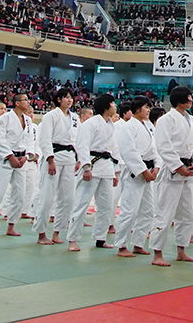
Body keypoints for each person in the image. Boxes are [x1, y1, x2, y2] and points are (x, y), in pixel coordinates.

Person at [149, 86, 193, 267]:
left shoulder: (190, 120)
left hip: (188, 169)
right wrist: (178, 167)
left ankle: (181, 250)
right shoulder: (166, 120)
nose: (192, 100)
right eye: (189, 97)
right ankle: (157, 253)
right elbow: (163, 146)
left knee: (187, 213)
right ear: (179, 99)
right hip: (172, 170)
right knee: (164, 212)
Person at [69, 93, 119, 252]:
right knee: (81, 203)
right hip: (92, 164)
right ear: (106, 106)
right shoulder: (90, 124)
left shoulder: (111, 124)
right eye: (113, 103)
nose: (115, 106)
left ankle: (100, 237)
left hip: (106, 166)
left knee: (106, 205)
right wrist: (85, 167)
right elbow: (82, 146)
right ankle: (73, 239)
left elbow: (114, 150)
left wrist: (116, 172)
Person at [33, 88, 78, 245]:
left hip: (70, 157)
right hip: (54, 155)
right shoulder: (50, 116)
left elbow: (77, 140)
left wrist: (78, 159)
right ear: (59, 100)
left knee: (68, 198)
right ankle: (41, 233)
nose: (70, 100)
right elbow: (44, 139)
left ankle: (57, 231)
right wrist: (50, 159)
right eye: (66, 97)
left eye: (71, 97)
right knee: (47, 196)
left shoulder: (75, 118)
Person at [115, 97, 159, 258]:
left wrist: (157, 167)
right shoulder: (127, 128)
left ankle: (138, 243)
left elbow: (155, 149)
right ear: (137, 109)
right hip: (135, 172)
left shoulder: (148, 126)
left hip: (149, 169)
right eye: (146, 107)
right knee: (129, 210)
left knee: (148, 210)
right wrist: (143, 171)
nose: (148, 110)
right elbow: (128, 152)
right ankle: (121, 245)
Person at [0, 93, 33, 238]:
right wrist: (10, 156)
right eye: (25, 100)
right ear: (17, 103)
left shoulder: (28, 121)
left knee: (19, 195)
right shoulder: (4, 119)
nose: (28, 102)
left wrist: (27, 156)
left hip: (21, 160)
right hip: (7, 159)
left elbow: (30, 140)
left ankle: (11, 225)